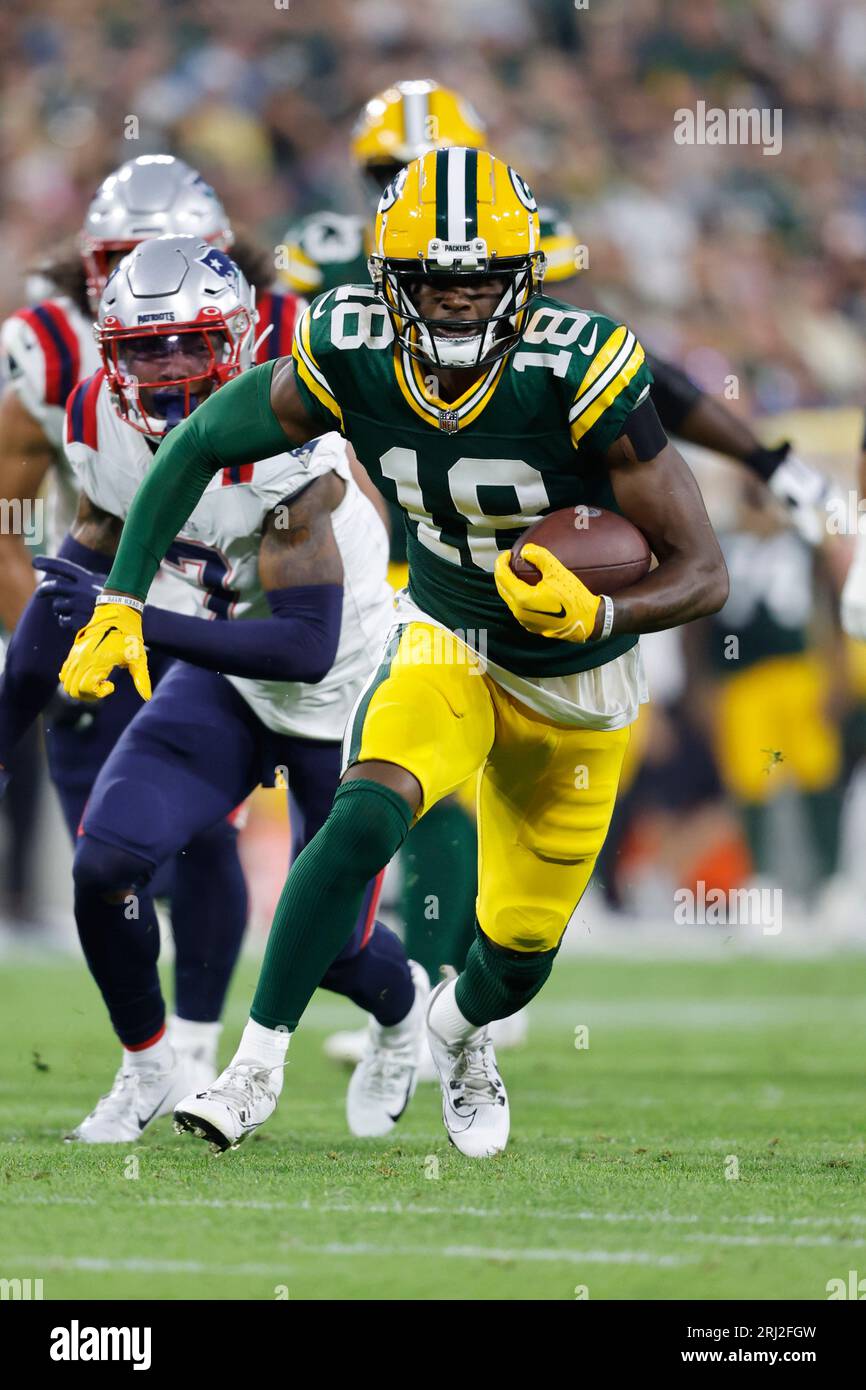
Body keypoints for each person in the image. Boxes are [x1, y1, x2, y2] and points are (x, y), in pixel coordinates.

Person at [59, 150, 729, 1159]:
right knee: (366, 809)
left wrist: (600, 617)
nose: (457, 305)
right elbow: (198, 439)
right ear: (388, 282)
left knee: (516, 955)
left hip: (579, 688)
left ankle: (456, 1034)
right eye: (432, 282)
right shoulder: (350, 346)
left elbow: (700, 570)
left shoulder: (581, 365)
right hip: (447, 638)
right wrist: (119, 600)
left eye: (477, 281)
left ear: (520, 281)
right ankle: (252, 1071)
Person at [2, 235, 426, 1141]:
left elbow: (306, 649)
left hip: (339, 694)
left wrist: (135, 618)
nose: (166, 368)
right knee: (104, 863)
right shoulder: (98, 420)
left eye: (189, 343)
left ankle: (406, 1014)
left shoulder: (284, 440)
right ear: (108, 352)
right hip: (226, 671)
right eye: (143, 347)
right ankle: (148, 1063)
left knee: (338, 948)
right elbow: (78, 570)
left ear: (234, 342)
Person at [0, 155, 300, 1077]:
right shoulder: (52, 348)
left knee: (207, 831)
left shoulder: (282, 327)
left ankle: (205, 1044)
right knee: (105, 850)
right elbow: (8, 525)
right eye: (126, 254)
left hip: (220, 603)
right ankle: (150, 1056)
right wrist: (56, 643)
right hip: (103, 595)